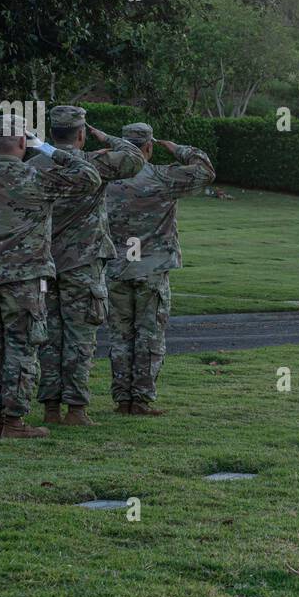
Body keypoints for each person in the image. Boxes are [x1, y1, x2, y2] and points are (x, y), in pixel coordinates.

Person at [0, 114, 101, 439]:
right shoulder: (36, 177)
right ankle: (14, 422)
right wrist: (46, 148)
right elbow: (89, 177)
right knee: (22, 349)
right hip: (24, 282)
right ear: (22, 142)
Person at [31, 105, 144, 426]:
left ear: (52, 133)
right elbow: (135, 158)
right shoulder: (94, 162)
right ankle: (76, 410)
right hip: (83, 263)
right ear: (81, 134)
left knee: (49, 335)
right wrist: (106, 136)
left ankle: (50, 408)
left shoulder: (34, 165)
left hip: (44, 262)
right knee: (80, 336)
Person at [105, 123, 215, 415]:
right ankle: (140, 399)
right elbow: (205, 170)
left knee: (120, 336)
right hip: (151, 268)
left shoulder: (106, 178)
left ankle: (122, 398)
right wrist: (178, 148)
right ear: (148, 148)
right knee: (149, 335)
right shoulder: (161, 177)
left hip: (115, 267)